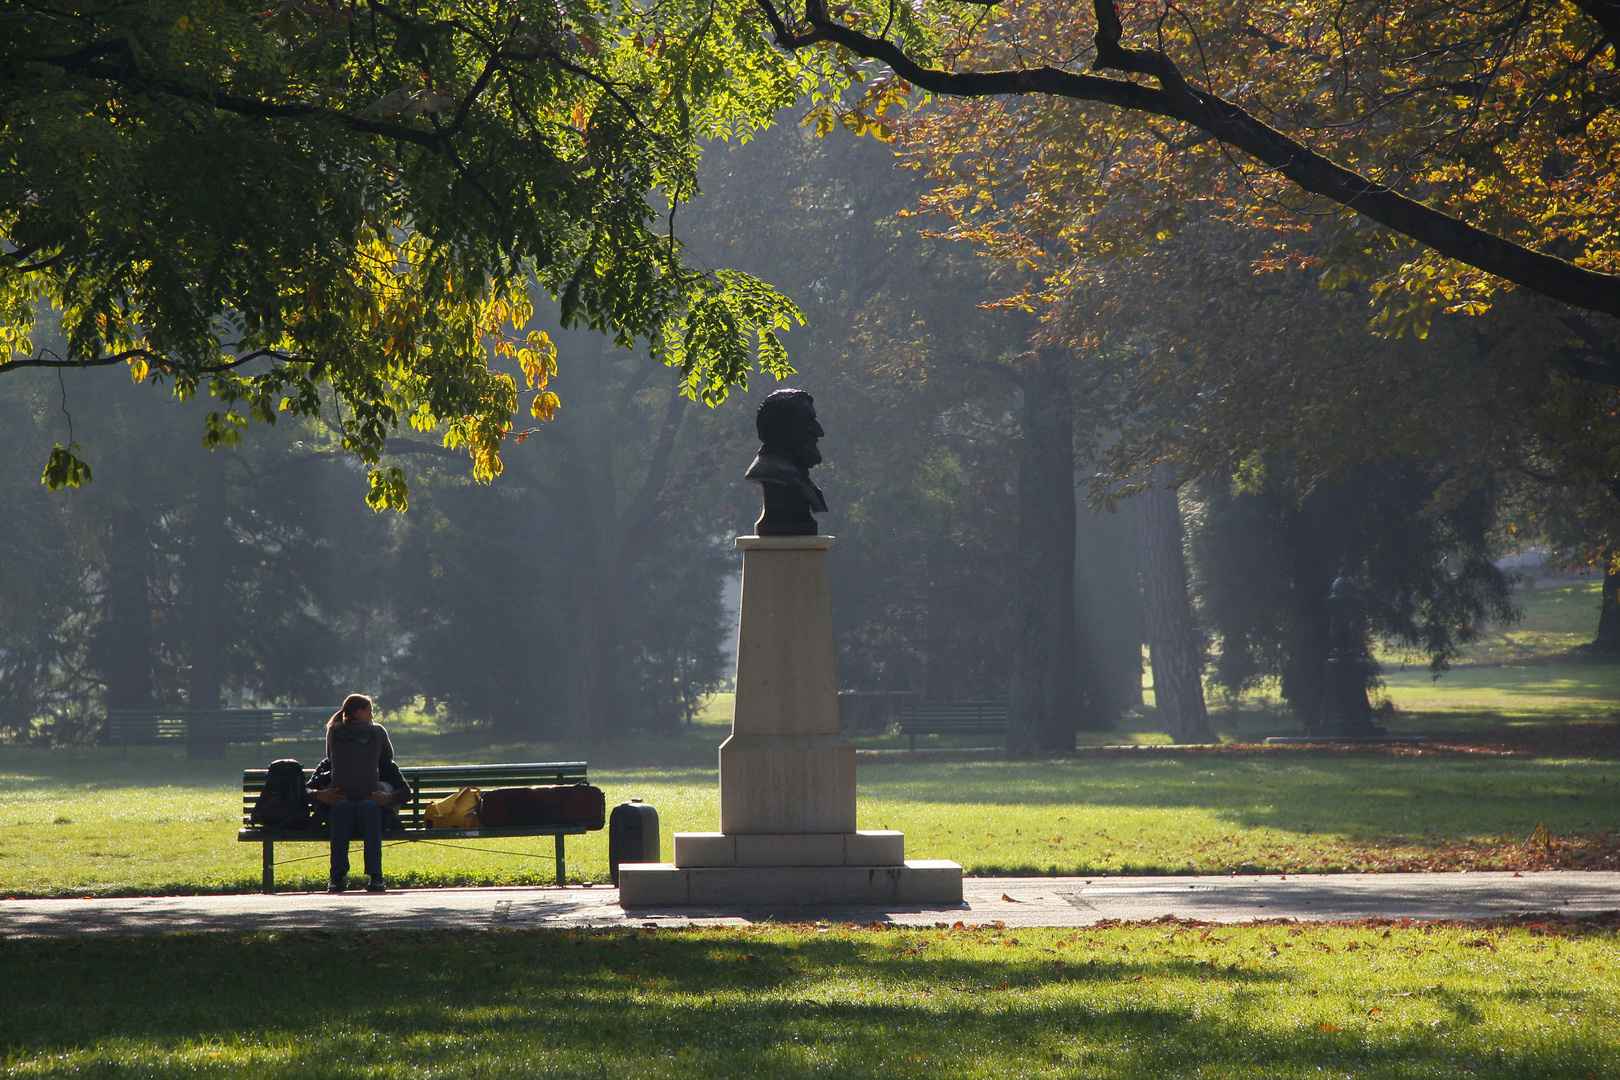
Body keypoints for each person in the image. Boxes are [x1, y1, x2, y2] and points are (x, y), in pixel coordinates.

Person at [311, 693, 400, 893]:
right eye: (370, 711)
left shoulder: (334, 731)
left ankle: (337, 878)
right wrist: (319, 794)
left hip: (343, 801)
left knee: (346, 807)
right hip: (366, 802)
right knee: (363, 806)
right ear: (360, 711)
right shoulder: (377, 731)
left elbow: (330, 756)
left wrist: (389, 797)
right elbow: (388, 756)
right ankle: (375, 877)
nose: (372, 716)